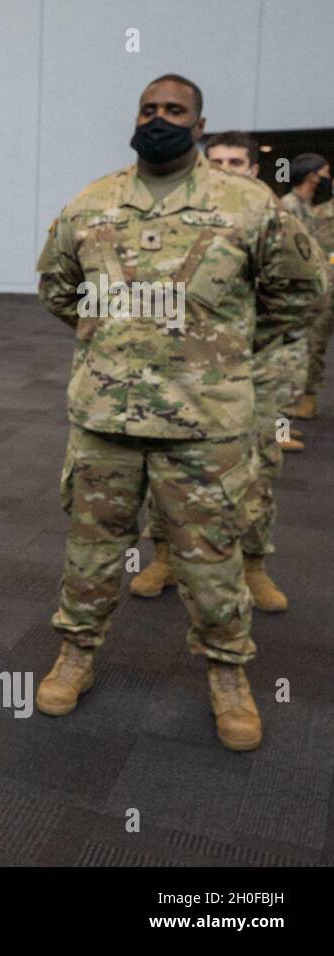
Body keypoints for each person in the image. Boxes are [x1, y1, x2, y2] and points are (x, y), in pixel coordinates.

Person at [34, 77, 326, 751]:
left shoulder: (249, 205)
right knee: (91, 550)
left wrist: (224, 352)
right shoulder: (93, 202)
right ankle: (76, 652)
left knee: (212, 558)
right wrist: (108, 343)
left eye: (174, 111)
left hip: (204, 422)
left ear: (200, 124)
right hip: (105, 415)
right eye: (148, 109)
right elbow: (56, 287)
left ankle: (228, 674)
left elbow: (301, 293)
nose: (159, 119)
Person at [130, 131, 321, 611]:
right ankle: (167, 557)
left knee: (257, 468)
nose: (226, 169)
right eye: (216, 161)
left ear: (254, 170)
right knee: (166, 464)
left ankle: (252, 566)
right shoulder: (181, 218)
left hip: (258, 369)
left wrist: (246, 343)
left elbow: (306, 292)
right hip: (181, 371)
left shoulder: (269, 218)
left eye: (236, 161)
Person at [281, 153, 334, 420]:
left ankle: (284, 426)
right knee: (283, 364)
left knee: (300, 357)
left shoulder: (307, 207)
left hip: (312, 295)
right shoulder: (288, 206)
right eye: (324, 172)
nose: (327, 177)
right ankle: (277, 432)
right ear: (311, 175)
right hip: (293, 299)